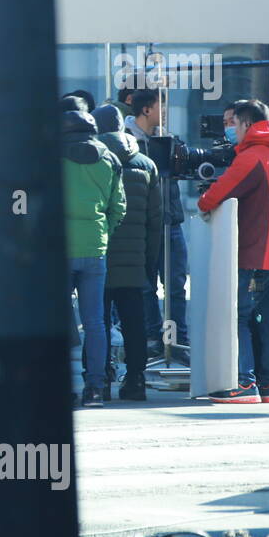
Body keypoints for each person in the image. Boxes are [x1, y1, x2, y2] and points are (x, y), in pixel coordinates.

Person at [198, 99, 269, 404]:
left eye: (233, 124)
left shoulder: (252, 157)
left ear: (246, 124)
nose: (231, 130)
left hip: (254, 252)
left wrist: (203, 203)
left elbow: (216, 194)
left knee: (239, 316)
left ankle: (244, 382)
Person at [94, 105, 162, 401]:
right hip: (135, 260)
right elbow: (156, 221)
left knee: (98, 321)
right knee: (135, 324)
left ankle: (100, 378)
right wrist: (151, 263)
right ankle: (136, 380)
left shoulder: (92, 162)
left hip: (99, 255)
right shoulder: (147, 164)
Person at [63, 105, 126, 407]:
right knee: (95, 323)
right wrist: (104, 234)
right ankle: (96, 389)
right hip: (95, 250)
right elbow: (119, 207)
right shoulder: (110, 158)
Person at [125, 89, 189, 349]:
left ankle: (178, 341)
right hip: (141, 226)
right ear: (146, 110)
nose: (165, 112)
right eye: (161, 107)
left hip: (171, 222)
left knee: (175, 286)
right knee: (144, 286)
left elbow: (183, 170)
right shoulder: (126, 143)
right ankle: (152, 338)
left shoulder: (169, 139)